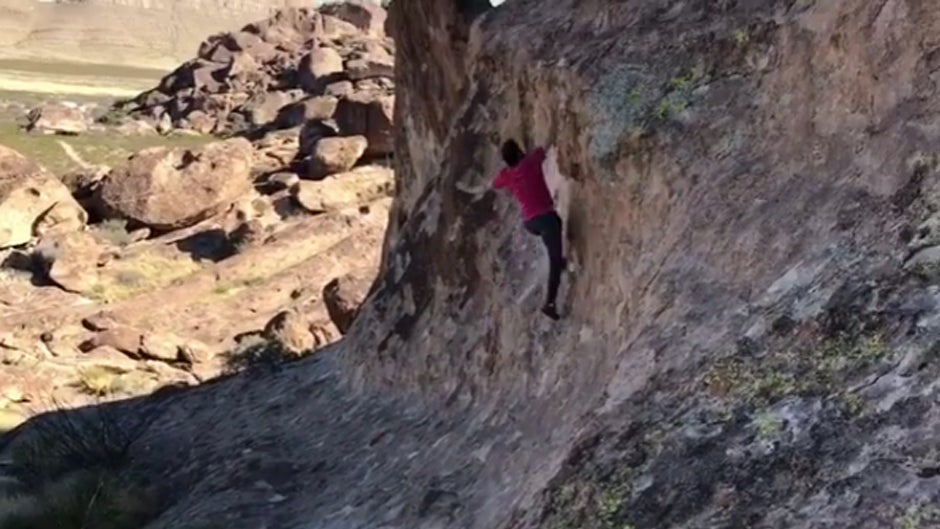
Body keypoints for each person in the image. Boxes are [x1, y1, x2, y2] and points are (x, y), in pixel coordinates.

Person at [492, 139, 566, 320]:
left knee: (557, 223)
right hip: (545, 219)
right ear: (519, 152)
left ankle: (559, 260)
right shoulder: (531, 162)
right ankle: (550, 303)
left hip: (530, 223)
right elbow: (544, 148)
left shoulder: (506, 175)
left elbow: (495, 183)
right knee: (554, 258)